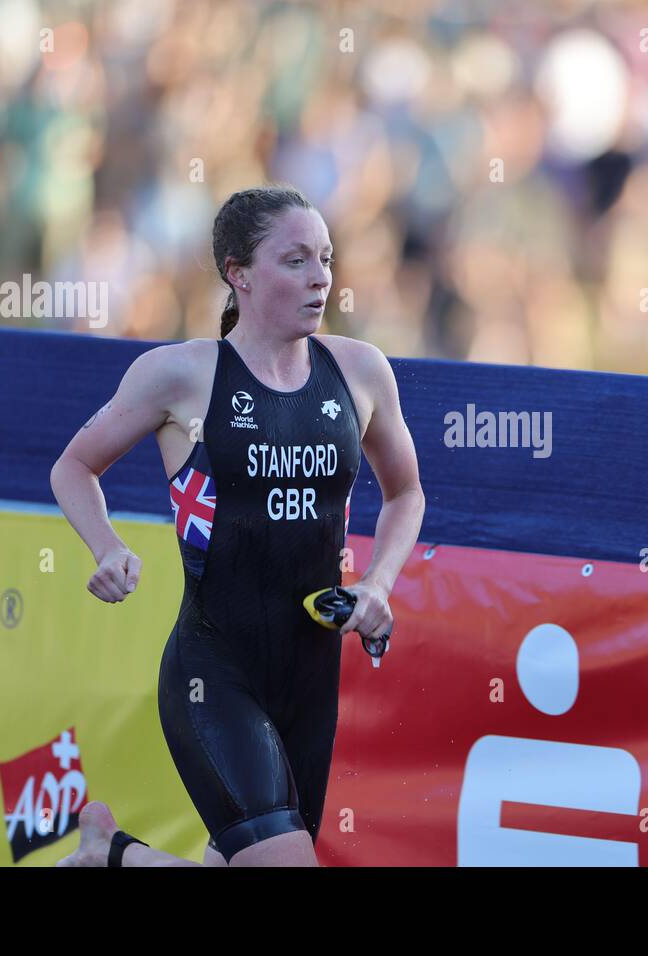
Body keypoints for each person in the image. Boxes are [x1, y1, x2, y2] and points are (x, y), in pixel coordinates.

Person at [49, 184, 425, 866]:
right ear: (239, 273)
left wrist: (378, 586)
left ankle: (107, 853)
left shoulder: (361, 370)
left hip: (311, 676)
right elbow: (74, 467)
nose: (320, 278)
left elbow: (406, 495)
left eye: (326, 258)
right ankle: (114, 857)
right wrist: (106, 547)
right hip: (213, 670)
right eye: (295, 261)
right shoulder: (181, 374)